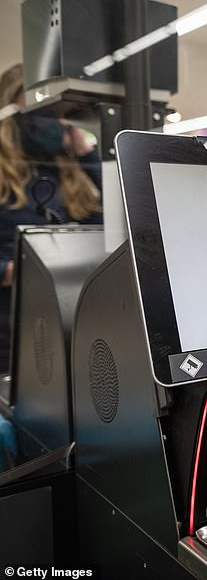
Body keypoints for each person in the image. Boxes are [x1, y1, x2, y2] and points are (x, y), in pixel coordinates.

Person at [0, 63, 102, 372]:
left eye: (61, 109)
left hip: (70, 319)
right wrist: (20, 272)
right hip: (8, 323)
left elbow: (111, 223)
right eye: (41, 107)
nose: (53, 118)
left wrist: (85, 153)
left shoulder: (72, 171)